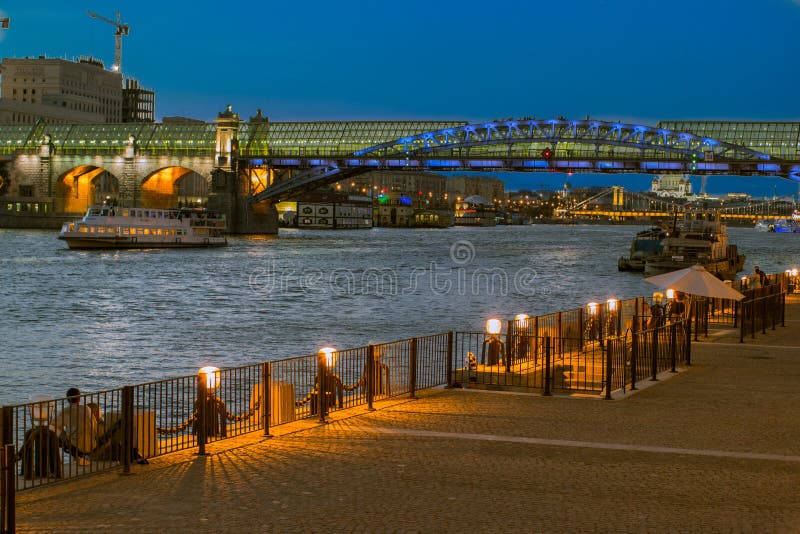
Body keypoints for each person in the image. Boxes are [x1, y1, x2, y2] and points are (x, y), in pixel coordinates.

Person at [53, 388, 98, 466]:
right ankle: (81, 457)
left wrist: (63, 433)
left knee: (53, 434)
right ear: (79, 398)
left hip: (78, 447)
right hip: (92, 445)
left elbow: (53, 426)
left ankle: (57, 463)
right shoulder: (87, 408)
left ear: (68, 399)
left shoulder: (67, 411)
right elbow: (95, 426)